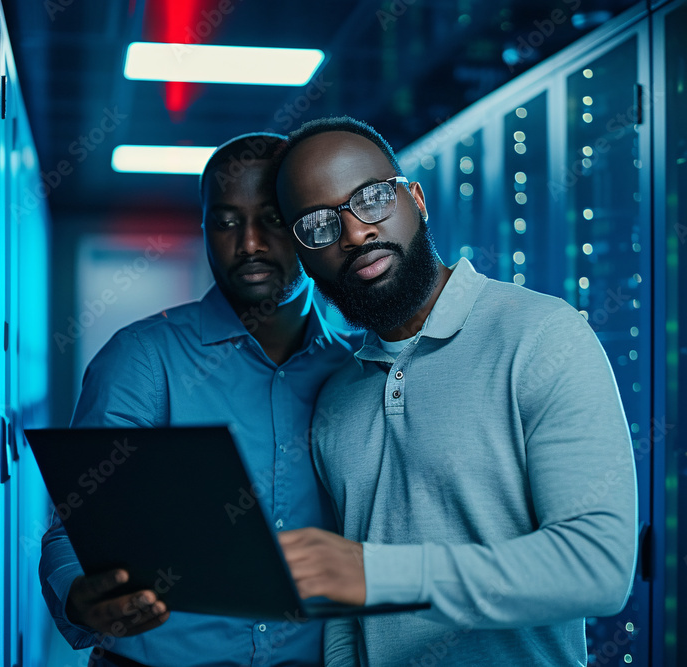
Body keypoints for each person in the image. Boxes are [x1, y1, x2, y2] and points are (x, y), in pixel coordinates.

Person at [273, 116, 639, 666]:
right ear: (303, 257)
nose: (354, 233)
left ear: (415, 199)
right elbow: (348, 613)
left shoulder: (541, 335)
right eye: (319, 225)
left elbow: (598, 569)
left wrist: (380, 575)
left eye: (371, 199)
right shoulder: (335, 399)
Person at [39, 132, 360, 667]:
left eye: (274, 219)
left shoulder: (357, 369)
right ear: (205, 227)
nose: (250, 243)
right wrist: (80, 596)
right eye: (227, 221)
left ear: (310, 226)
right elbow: (77, 528)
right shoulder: (142, 359)